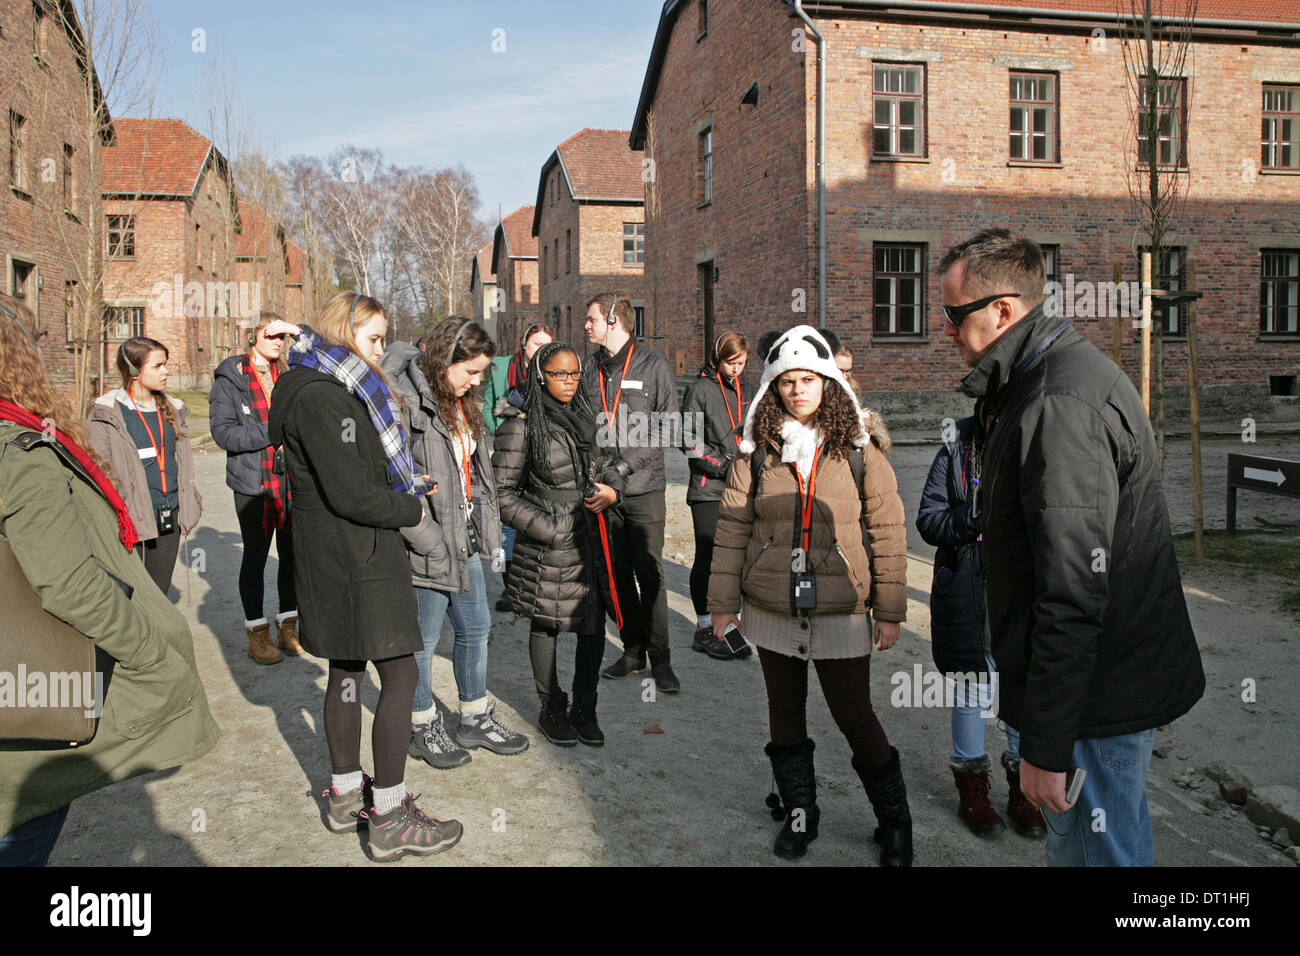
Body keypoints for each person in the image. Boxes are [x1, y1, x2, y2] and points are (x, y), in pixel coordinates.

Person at [940, 227, 1204, 866]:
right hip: (1095, 692)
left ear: (1002, 310)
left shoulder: (1059, 403)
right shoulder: (1038, 377)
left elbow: (1072, 591)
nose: (947, 330)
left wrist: (1046, 747)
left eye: (954, 315)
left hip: (1096, 703)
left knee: (1099, 857)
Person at [0, 293, 220, 866]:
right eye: (36, 341)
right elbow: (68, 582)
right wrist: (149, 649)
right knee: (24, 830)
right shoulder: (20, 451)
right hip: (23, 689)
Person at [267, 293, 462, 861]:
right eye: (374, 339)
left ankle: (347, 796)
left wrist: (399, 482)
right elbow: (350, 492)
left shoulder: (321, 388)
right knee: (399, 674)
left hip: (340, 558)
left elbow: (351, 473)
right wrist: (409, 509)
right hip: (358, 560)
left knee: (348, 671)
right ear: (345, 333)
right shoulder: (324, 398)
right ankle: (391, 817)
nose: (382, 351)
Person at [709, 325, 911, 865]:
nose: (798, 390)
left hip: (841, 608)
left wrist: (889, 610)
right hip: (773, 606)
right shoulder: (757, 453)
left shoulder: (860, 450)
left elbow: (888, 532)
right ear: (773, 387)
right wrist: (721, 604)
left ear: (828, 382)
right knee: (785, 713)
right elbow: (731, 530)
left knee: (854, 715)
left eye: (808, 379)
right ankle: (801, 816)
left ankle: (895, 823)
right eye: (788, 381)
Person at [379, 317, 530, 766]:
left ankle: (473, 718)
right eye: (470, 370)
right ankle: (422, 724)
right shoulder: (403, 403)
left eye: (482, 372)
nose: (478, 380)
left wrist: (486, 535)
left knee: (477, 628)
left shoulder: (461, 402)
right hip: (424, 544)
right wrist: (426, 539)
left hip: (461, 540)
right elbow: (396, 483)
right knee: (423, 641)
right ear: (445, 360)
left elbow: (476, 477)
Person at [916, 415, 1046, 839]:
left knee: (1020, 686)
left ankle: (1023, 790)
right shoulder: (955, 453)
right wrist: (971, 520)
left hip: (1024, 590)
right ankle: (972, 790)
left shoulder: (1039, 446)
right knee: (974, 685)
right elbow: (929, 520)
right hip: (969, 586)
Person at [492, 341, 627, 747]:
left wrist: (613, 492)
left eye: (574, 374)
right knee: (547, 622)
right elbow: (500, 495)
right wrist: (548, 528)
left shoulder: (589, 418)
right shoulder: (519, 426)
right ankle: (551, 707)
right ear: (539, 376)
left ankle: (585, 708)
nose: (568, 382)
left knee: (593, 627)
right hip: (549, 542)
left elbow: (614, 465)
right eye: (558, 374)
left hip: (593, 536)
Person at [582, 292, 681, 692]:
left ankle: (662, 660)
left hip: (641, 489)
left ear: (612, 320)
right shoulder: (589, 368)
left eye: (591, 319)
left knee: (650, 574)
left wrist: (624, 467)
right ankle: (632, 650)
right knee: (616, 574)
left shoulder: (654, 366)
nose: (586, 326)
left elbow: (670, 427)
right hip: (603, 490)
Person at [209, 314, 299, 664]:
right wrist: (271, 431)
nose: (278, 342)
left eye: (283, 336)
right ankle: (257, 632)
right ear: (252, 336)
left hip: (290, 479)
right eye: (271, 334)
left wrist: (294, 330)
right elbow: (224, 433)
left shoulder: (288, 374)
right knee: (256, 556)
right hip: (253, 482)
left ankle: (288, 625)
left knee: (291, 555)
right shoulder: (231, 378)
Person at [87, 336, 202, 598]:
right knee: (131, 598)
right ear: (135, 371)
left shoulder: (174, 408)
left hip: (168, 516)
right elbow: (98, 471)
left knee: (158, 597)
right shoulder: (107, 414)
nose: (166, 371)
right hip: (131, 520)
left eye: (166, 364)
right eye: (157, 366)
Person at [680, 330, 755, 660]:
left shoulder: (749, 392)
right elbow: (690, 443)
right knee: (708, 557)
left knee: (735, 559)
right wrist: (727, 467)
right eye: (730, 362)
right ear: (717, 359)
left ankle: (729, 626)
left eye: (741, 362)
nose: (736, 369)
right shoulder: (698, 390)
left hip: (744, 490)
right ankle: (704, 626)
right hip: (708, 489)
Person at [482, 322, 554, 611]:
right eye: (537, 343)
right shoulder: (503, 368)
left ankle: (533, 587)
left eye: (547, 345)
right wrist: (503, 432)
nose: (542, 350)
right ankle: (509, 589)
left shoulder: (552, 371)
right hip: (508, 454)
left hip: (538, 457)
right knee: (506, 525)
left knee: (535, 519)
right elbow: (489, 407)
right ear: (524, 344)